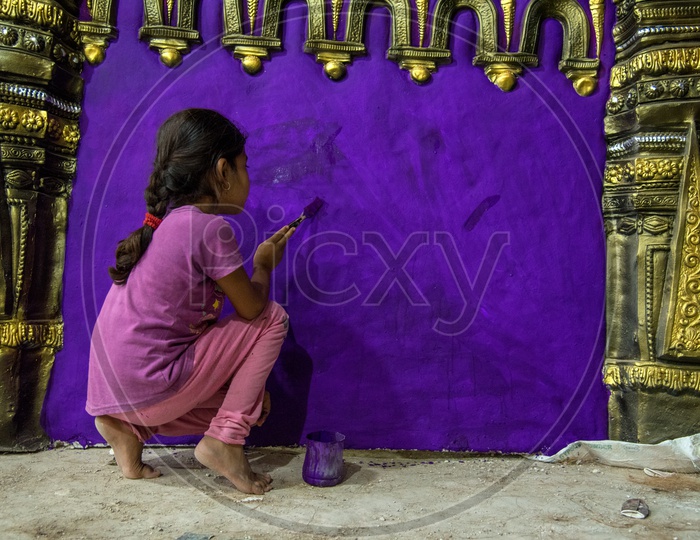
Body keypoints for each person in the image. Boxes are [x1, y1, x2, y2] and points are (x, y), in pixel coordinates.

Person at [86, 108, 294, 495]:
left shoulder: (163, 226)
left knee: (248, 403)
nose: (248, 178)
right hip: (151, 384)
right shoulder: (208, 226)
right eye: (244, 167)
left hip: (111, 393)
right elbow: (253, 311)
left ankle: (128, 430)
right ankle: (225, 442)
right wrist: (264, 266)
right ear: (222, 170)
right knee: (273, 319)